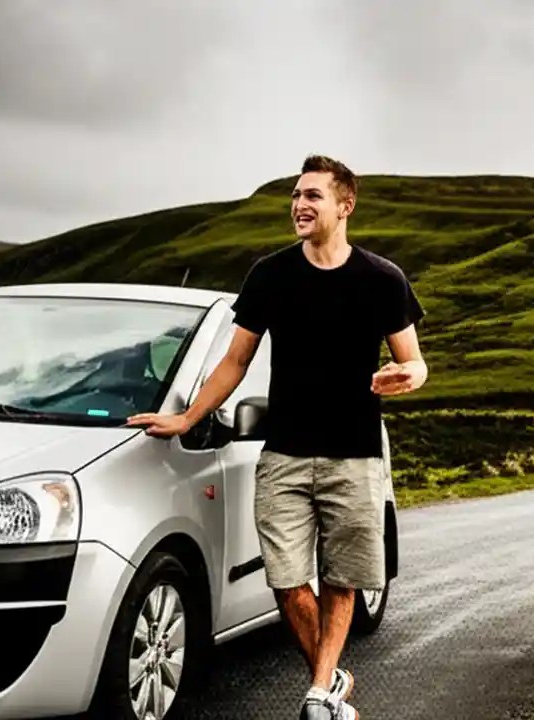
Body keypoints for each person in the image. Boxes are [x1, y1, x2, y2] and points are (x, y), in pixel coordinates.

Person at [126, 154, 427, 720]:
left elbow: (415, 362)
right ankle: (331, 679)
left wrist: (409, 376)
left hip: (356, 457)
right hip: (283, 456)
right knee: (287, 581)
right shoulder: (270, 275)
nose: (299, 205)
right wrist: (188, 419)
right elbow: (235, 362)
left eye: (313, 195)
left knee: (342, 580)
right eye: (295, 195)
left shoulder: (383, 280)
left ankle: (317, 696)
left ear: (346, 205)